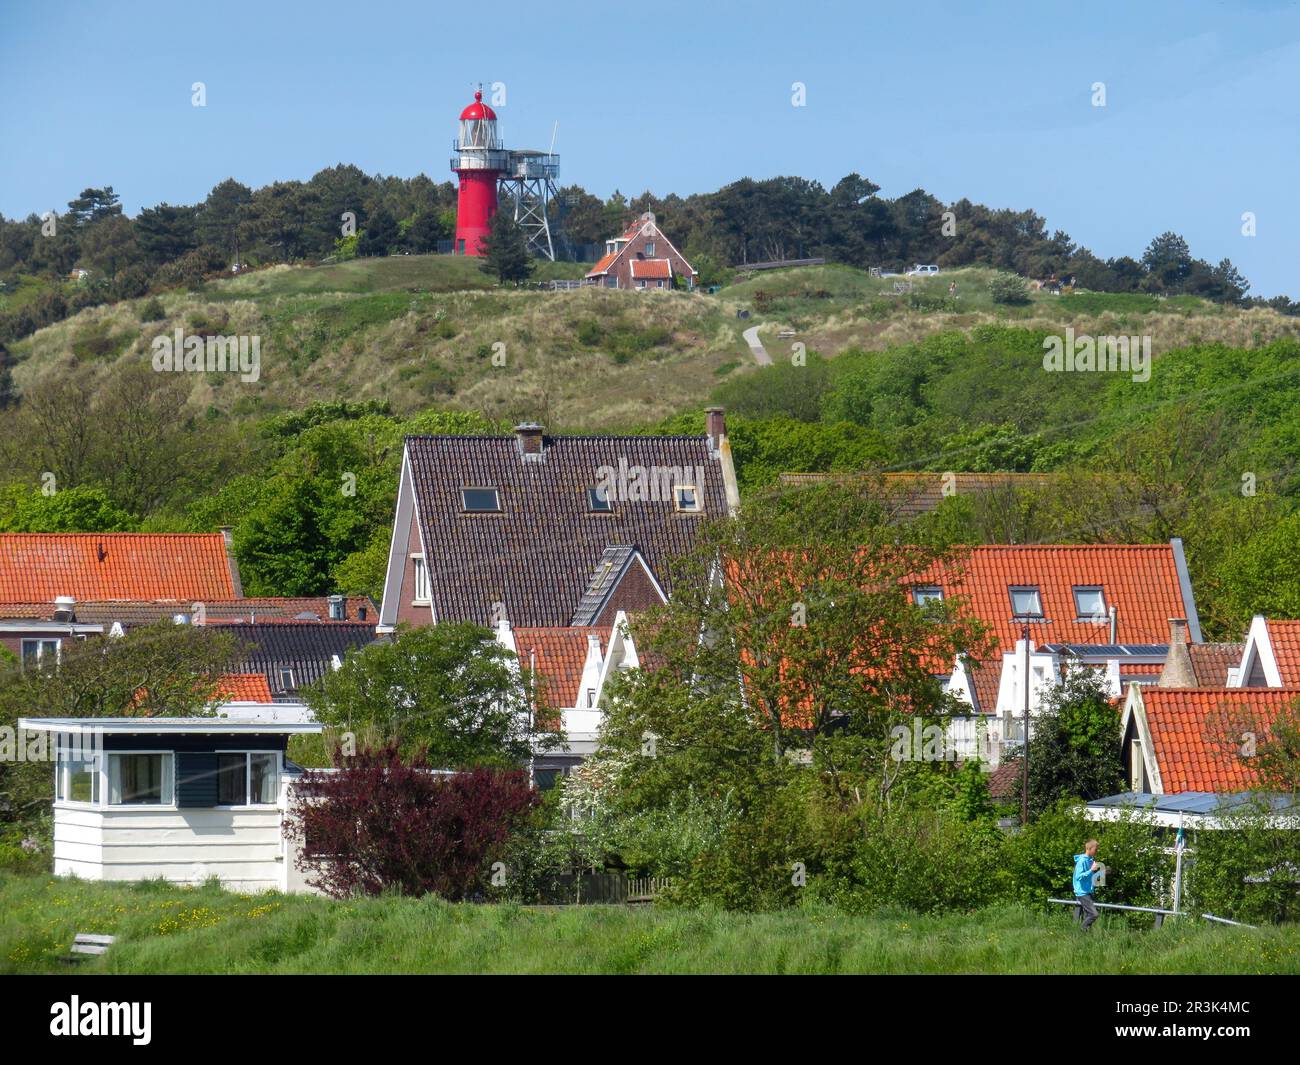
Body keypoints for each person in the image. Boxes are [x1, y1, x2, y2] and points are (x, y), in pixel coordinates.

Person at [1073, 840, 1101, 930]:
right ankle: (1082, 929)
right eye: (1095, 849)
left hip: (1089, 891)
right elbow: (1078, 877)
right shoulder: (1081, 861)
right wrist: (1091, 870)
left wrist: (1101, 872)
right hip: (1082, 892)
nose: (1097, 851)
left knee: (1088, 915)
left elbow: (1090, 875)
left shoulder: (1091, 860)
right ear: (1089, 849)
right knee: (1094, 914)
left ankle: (1084, 937)